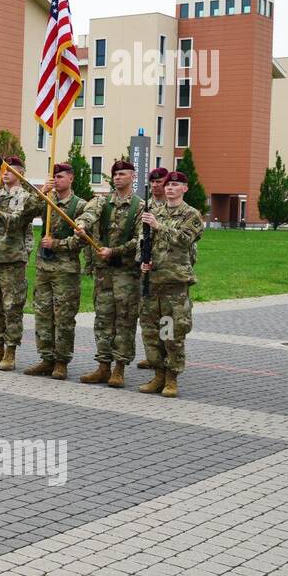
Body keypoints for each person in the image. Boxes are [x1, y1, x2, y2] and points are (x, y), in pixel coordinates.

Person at [75, 159, 144, 387]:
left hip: (125, 274)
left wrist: (113, 251)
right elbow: (89, 214)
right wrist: (82, 225)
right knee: (103, 320)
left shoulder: (140, 207)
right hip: (104, 274)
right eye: (115, 174)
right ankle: (103, 366)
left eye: (122, 174)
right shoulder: (103, 202)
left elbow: (140, 240)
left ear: (132, 177)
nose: (117, 178)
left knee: (124, 321)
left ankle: (119, 368)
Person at [138, 171, 204, 398]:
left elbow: (185, 239)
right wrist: (142, 261)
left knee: (170, 333)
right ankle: (157, 374)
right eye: (167, 185)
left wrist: (159, 226)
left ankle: (171, 378)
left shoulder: (191, 215)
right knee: (150, 332)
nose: (169, 188)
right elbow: (143, 240)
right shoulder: (153, 211)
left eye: (175, 185)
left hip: (174, 285)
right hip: (152, 282)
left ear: (185, 188)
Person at [0, 156, 46, 371]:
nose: (5, 173)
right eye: (3, 170)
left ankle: (10, 352)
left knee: (12, 307)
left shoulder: (25, 197)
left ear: (21, 174)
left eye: (10, 170)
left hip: (13, 259)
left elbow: (17, 221)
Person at [23, 163, 88, 379]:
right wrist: (41, 192)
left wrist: (58, 244)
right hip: (43, 268)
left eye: (60, 177)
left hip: (65, 270)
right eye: (54, 177)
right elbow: (25, 213)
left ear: (71, 179)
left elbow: (83, 239)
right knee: (42, 314)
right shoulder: (47, 201)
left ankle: (61, 361)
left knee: (64, 317)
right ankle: (46, 358)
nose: (57, 180)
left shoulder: (80, 206)